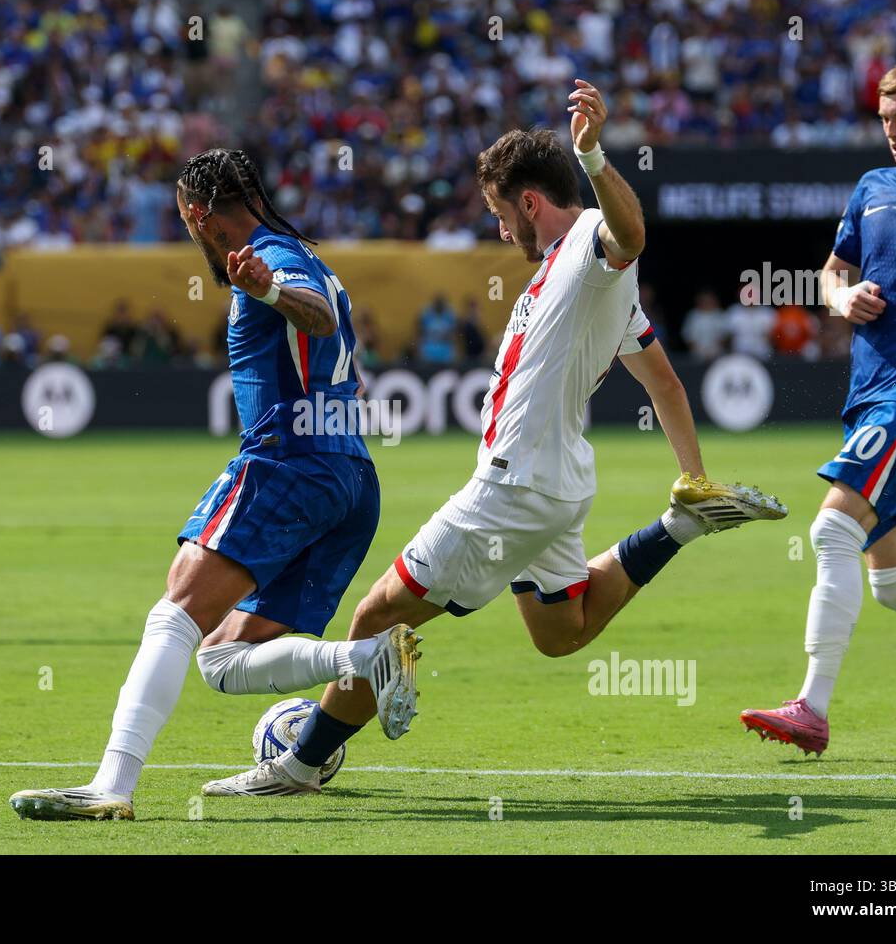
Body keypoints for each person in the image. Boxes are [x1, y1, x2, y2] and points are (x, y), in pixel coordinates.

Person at [202, 84, 785, 797]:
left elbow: (631, 237)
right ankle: (680, 524)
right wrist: (693, 479)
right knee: (561, 630)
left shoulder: (587, 250)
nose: (502, 232)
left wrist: (593, 153)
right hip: (558, 487)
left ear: (530, 203)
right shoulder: (588, 287)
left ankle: (299, 764)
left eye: (500, 215)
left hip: (514, 486)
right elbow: (664, 383)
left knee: (377, 616)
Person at [9, 148, 419, 821]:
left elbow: (311, 315)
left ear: (199, 214)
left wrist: (266, 292)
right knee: (221, 657)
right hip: (350, 477)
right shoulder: (306, 254)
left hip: (288, 464)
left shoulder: (273, 260)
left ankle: (112, 784)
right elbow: (333, 347)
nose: (186, 233)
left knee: (173, 613)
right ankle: (368, 656)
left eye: (183, 221)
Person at [741, 62, 896, 755]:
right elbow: (832, 271)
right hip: (866, 392)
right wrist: (840, 299)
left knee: (830, 534)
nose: (892, 132)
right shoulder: (871, 188)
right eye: (885, 118)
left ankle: (811, 708)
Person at [680, 288, 729, 361]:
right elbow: (688, 337)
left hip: (717, 355)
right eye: (704, 300)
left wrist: (713, 351)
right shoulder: (693, 316)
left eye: (709, 300)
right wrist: (699, 351)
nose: (706, 302)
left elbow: (725, 336)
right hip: (696, 355)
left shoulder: (720, 315)